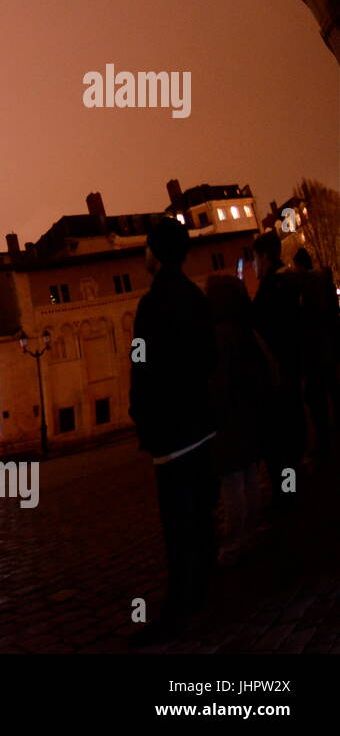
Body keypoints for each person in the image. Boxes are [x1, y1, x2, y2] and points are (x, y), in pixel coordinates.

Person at [129, 217, 218, 644]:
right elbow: (209, 359)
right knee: (202, 518)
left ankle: (180, 606)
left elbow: (140, 363)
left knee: (179, 525)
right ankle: (205, 593)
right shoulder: (197, 299)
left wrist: (142, 415)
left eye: (147, 247)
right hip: (202, 428)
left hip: (172, 438)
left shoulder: (150, 306)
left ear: (157, 253)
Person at [204, 275, 273, 565]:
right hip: (248, 415)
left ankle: (234, 543)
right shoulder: (246, 330)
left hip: (229, 419)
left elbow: (218, 382)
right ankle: (249, 532)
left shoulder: (219, 336)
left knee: (233, 483)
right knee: (249, 477)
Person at [251, 231, 306, 508]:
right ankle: (293, 486)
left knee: (281, 445)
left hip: (277, 379)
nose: (253, 266)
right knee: (292, 441)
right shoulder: (290, 284)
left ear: (264, 257)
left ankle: (288, 494)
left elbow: (262, 335)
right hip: (293, 371)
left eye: (254, 258)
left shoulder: (269, 291)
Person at [292, 248, 338, 459]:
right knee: (332, 391)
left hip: (316, 353)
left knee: (317, 399)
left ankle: (324, 443)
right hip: (328, 349)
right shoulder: (322, 283)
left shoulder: (306, 288)